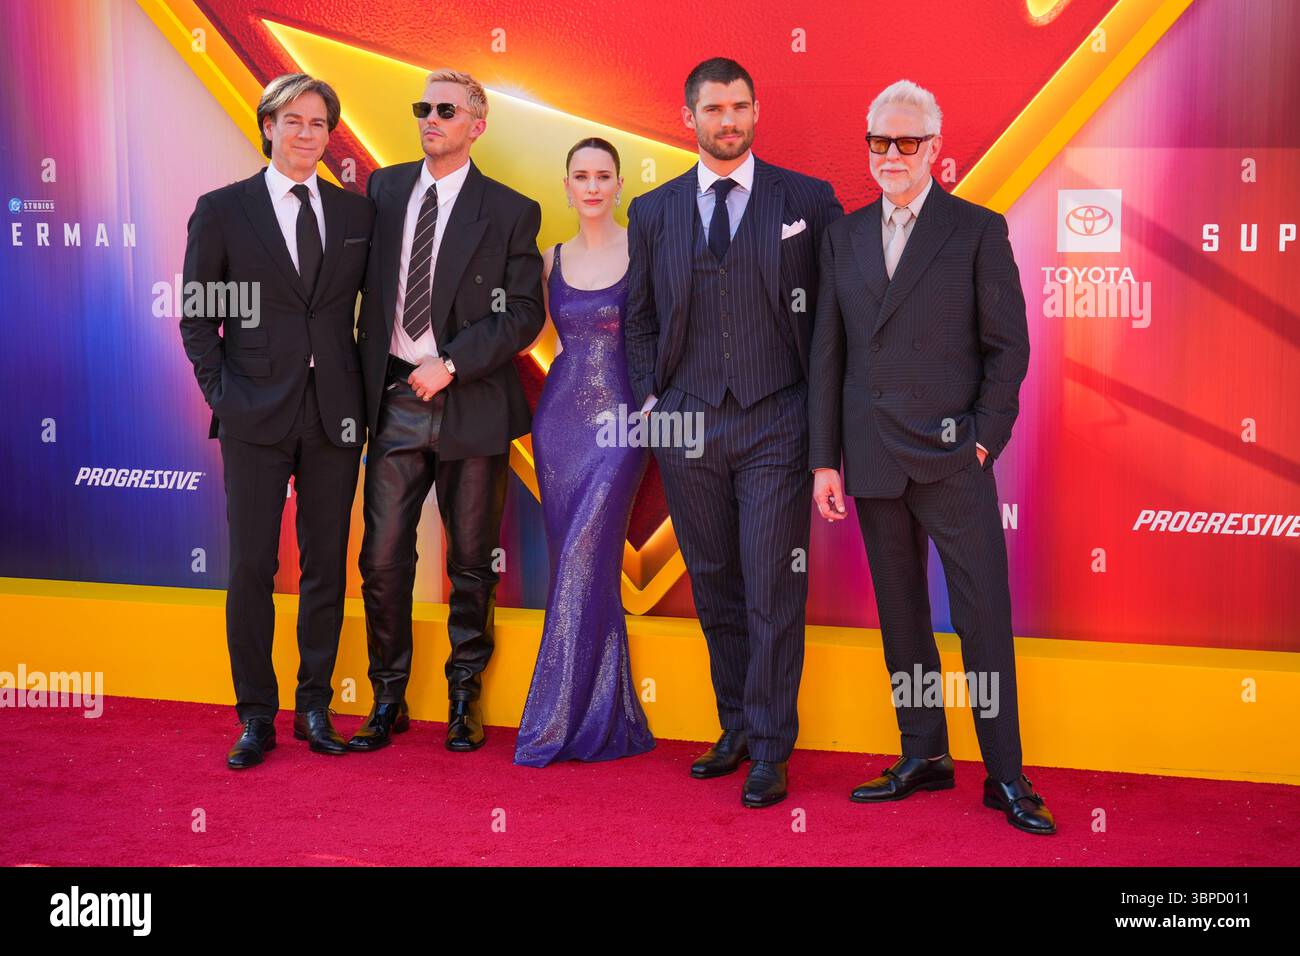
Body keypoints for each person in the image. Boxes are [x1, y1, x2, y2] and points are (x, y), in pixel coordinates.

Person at [808, 80, 1054, 834]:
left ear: (935, 151)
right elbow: (828, 356)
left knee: (982, 618)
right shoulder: (843, 236)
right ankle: (925, 755)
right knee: (903, 619)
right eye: (878, 141)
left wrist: (982, 439)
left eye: (906, 142)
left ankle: (1005, 776)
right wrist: (825, 461)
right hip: (873, 459)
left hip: (953, 459)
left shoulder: (977, 230)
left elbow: (1007, 350)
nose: (890, 155)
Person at [624, 58, 843, 807]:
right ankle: (737, 728)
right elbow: (640, 317)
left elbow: (834, 323)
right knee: (714, 584)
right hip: (686, 422)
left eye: (741, 106)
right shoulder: (652, 212)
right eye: (714, 107)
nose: (729, 119)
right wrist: (652, 400)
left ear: (756, 111)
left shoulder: (808, 201)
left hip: (778, 419)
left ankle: (773, 747)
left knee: (772, 587)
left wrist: (825, 429)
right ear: (689, 116)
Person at [180, 73, 375, 769]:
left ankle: (314, 706)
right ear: (267, 126)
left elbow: (371, 317)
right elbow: (200, 318)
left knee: (326, 567)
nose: (305, 134)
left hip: (335, 420)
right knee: (252, 568)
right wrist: (225, 398)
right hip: (253, 415)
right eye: (293, 120)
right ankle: (256, 716)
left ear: (330, 135)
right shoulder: (224, 211)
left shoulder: (356, 216)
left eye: (318, 123)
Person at [350, 69, 545, 753]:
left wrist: (453, 362)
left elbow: (523, 314)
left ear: (477, 125)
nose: (430, 118)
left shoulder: (512, 210)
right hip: (395, 399)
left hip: (472, 401)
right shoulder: (383, 189)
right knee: (381, 560)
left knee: (469, 561)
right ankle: (386, 699)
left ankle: (465, 698)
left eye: (446, 109)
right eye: (423, 108)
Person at [514, 138, 656, 767]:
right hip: (560, 424)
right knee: (582, 568)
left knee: (581, 560)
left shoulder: (646, 253)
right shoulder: (550, 258)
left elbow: (669, 329)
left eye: (604, 176)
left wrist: (656, 400)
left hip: (624, 426)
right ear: (566, 185)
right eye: (581, 176)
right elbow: (521, 327)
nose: (593, 186)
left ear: (620, 184)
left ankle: (557, 718)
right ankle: (606, 711)